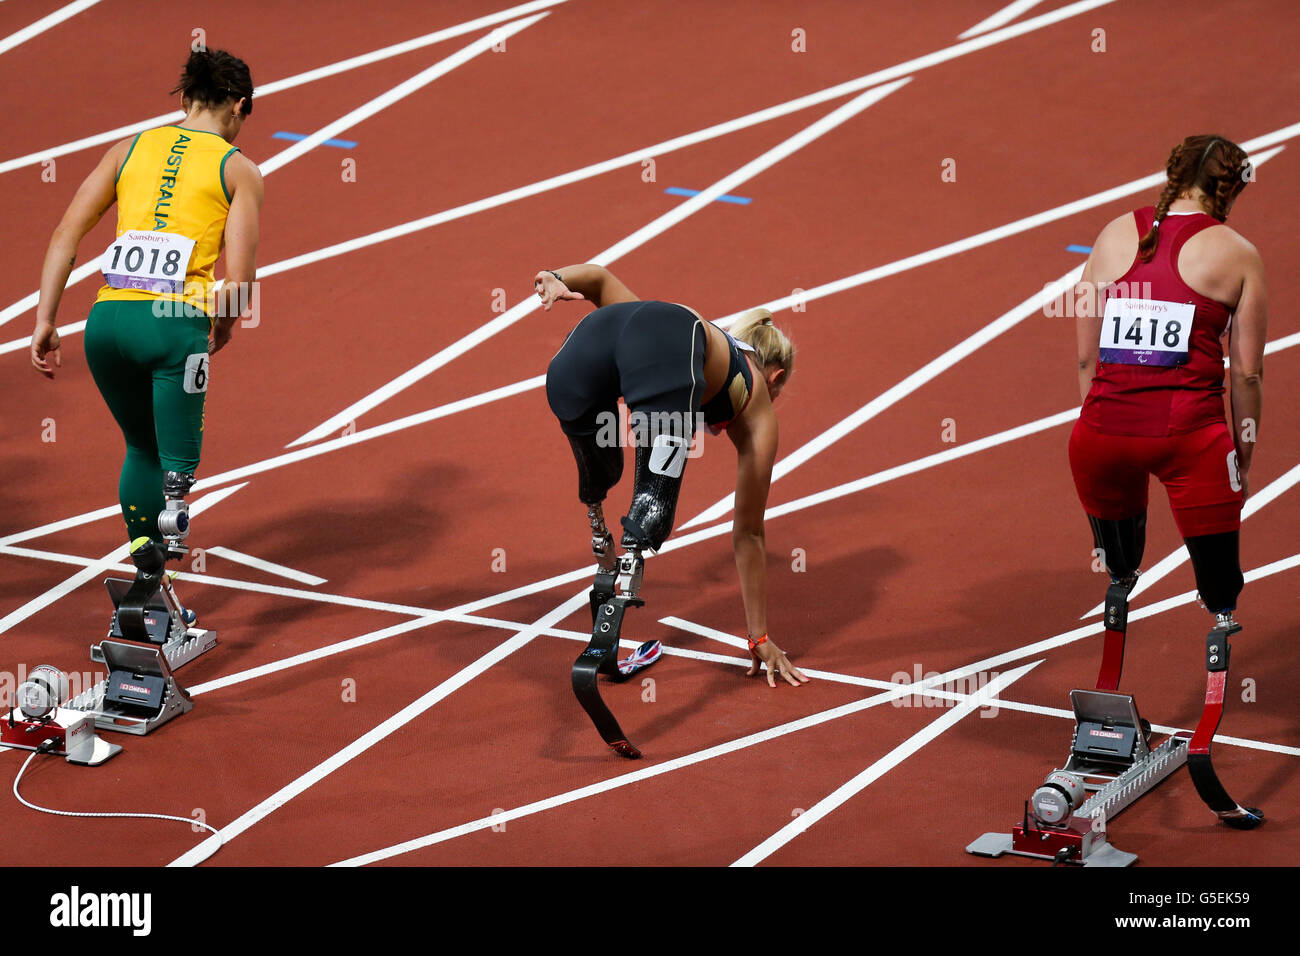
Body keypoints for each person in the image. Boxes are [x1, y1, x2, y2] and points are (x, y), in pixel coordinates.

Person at [1069, 134, 1265, 827]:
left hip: (1100, 437)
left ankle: (1103, 708)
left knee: (1120, 572)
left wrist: (1105, 424)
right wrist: (1243, 451)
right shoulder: (1238, 254)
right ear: (1230, 190)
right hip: (1189, 440)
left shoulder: (1113, 233)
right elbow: (1245, 374)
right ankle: (1210, 706)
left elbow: (1087, 362)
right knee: (1220, 591)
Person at [30, 48, 263, 623]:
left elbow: (66, 232)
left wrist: (45, 318)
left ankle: (145, 576)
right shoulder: (237, 169)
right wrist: (224, 326)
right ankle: (159, 592)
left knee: (141, 449)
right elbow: (241, 277)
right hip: (172, 327)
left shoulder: (128, 148)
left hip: (105, 326)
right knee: (179, 470)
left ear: (184, 100)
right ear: (237, 106)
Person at [537, 265, 809, 688]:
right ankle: (616, 598)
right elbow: (749, 533)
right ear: (774, 378)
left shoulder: (676, 336)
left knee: (600, 474)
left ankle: (603, 553)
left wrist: (557, 278)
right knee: (653, 510)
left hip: (588, 343)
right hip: (665, 343)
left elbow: (601, 280)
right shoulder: (756, 399)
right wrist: (760, 637)